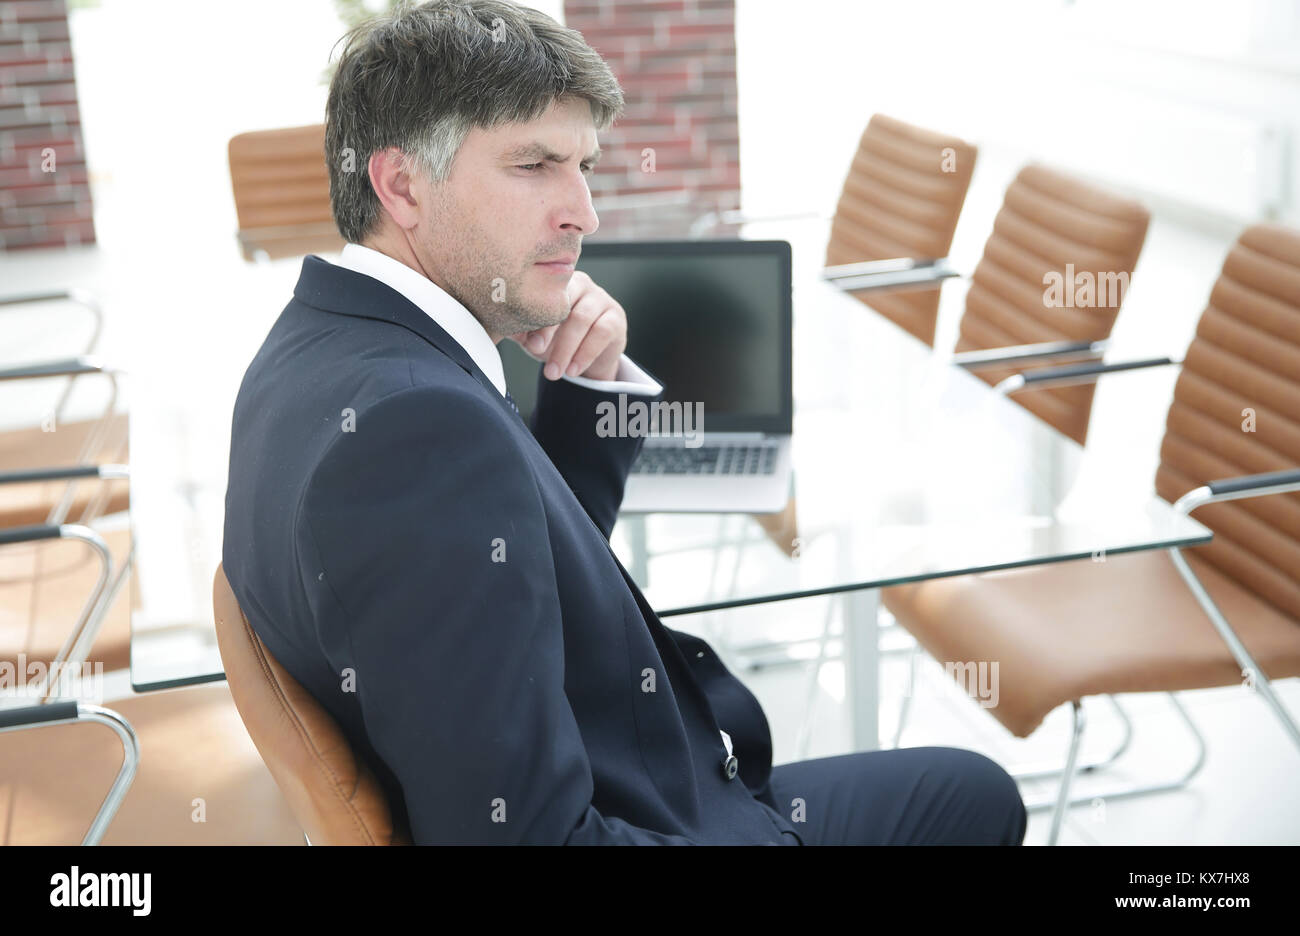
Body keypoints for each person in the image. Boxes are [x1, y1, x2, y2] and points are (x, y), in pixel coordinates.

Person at [222, 0, 1026, 845]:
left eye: (584, 166)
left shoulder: (316, 348)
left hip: (634, 778)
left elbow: (511, 574)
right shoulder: (416, 431)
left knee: (963, 788)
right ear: (401, 185)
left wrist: (592, 383)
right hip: (651, 814)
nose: (584, 212)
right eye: (534, 165)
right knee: (966, 798)